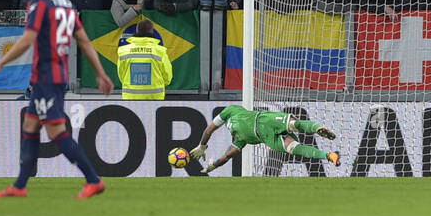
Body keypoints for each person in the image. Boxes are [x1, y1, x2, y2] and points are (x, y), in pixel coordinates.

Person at [0, 0, 113, 199]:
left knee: (57, 133)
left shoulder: (39, 4)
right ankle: (20, 186)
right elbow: (84, 41)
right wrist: (100, 73)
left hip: (46, 75)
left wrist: (0, 62)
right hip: (54, 74)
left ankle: (93, 180)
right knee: (30, 125)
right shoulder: (67, 5)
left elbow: (27, 39)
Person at [190, 105, 339, 174]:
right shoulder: (239, 139)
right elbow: (227, 155)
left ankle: (322, 141)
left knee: (294, 136)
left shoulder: (231, 111)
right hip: (265, 130)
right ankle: (326, 150)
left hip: (262, 123)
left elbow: (209, 129)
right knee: (294, 136)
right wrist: (213, 166)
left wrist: (202, 146)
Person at [117, 17, 173, 101]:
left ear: (137, 31)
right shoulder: (160, 51)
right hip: (154, 97)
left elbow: (121, 75)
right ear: (152, 31)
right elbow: (167, 77)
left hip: (131, 97)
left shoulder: (124, 51)